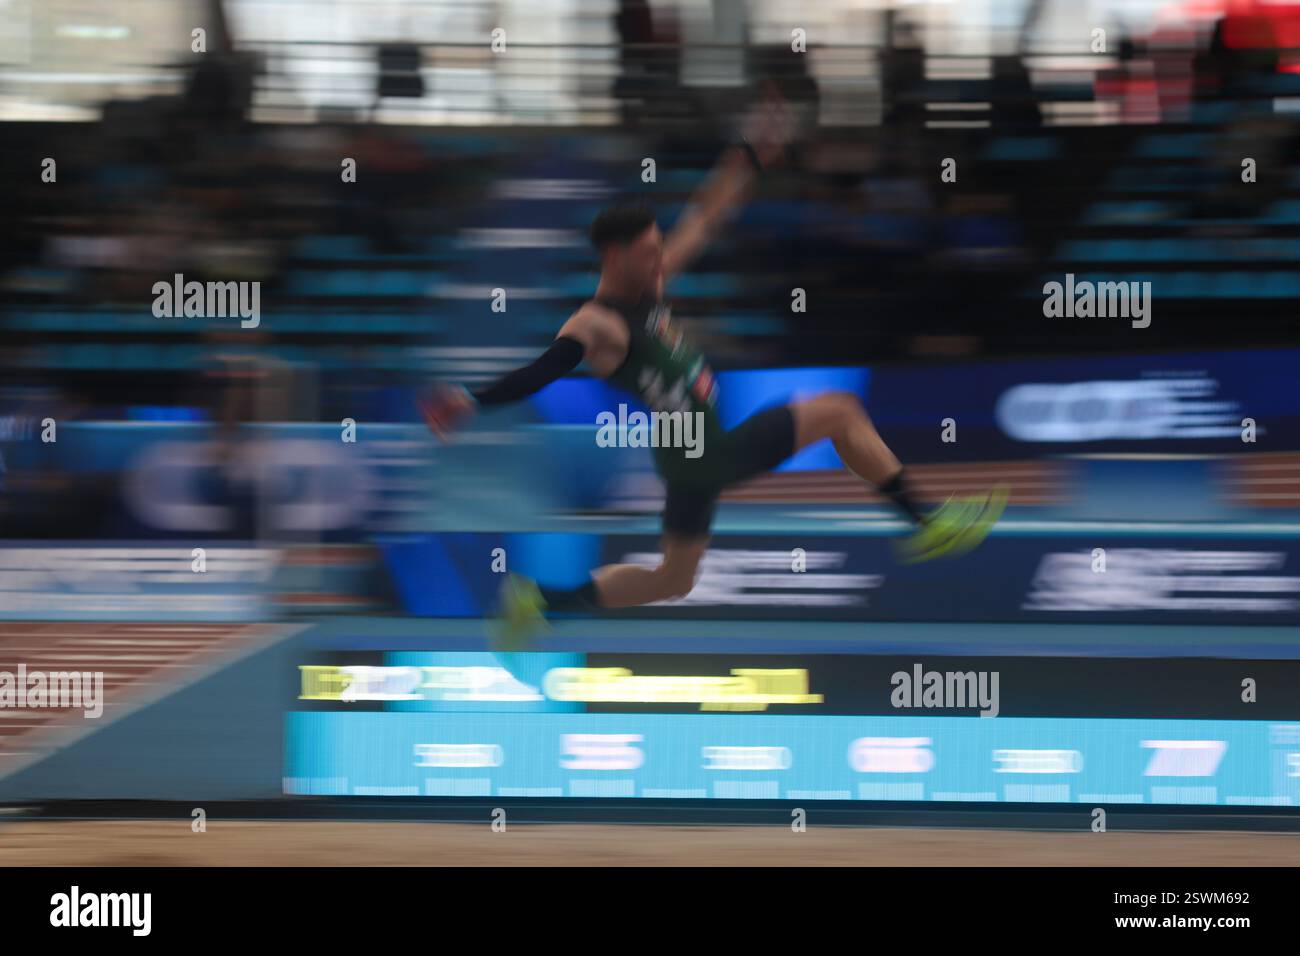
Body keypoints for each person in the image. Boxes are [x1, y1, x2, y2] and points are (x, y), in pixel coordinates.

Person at [421, 94, 1006, 646]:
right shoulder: (595, 323)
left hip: (692, 454)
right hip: (700, 454)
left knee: (674, 579)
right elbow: (541, 371)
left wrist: (751, 150)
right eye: (649, 255)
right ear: (617, 257)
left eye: (658, 252)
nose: (660, 263)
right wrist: (468, 399)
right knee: (839, 410)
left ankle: (541, 601)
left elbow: (705, 216)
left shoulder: (647, 288)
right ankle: (926, 520)